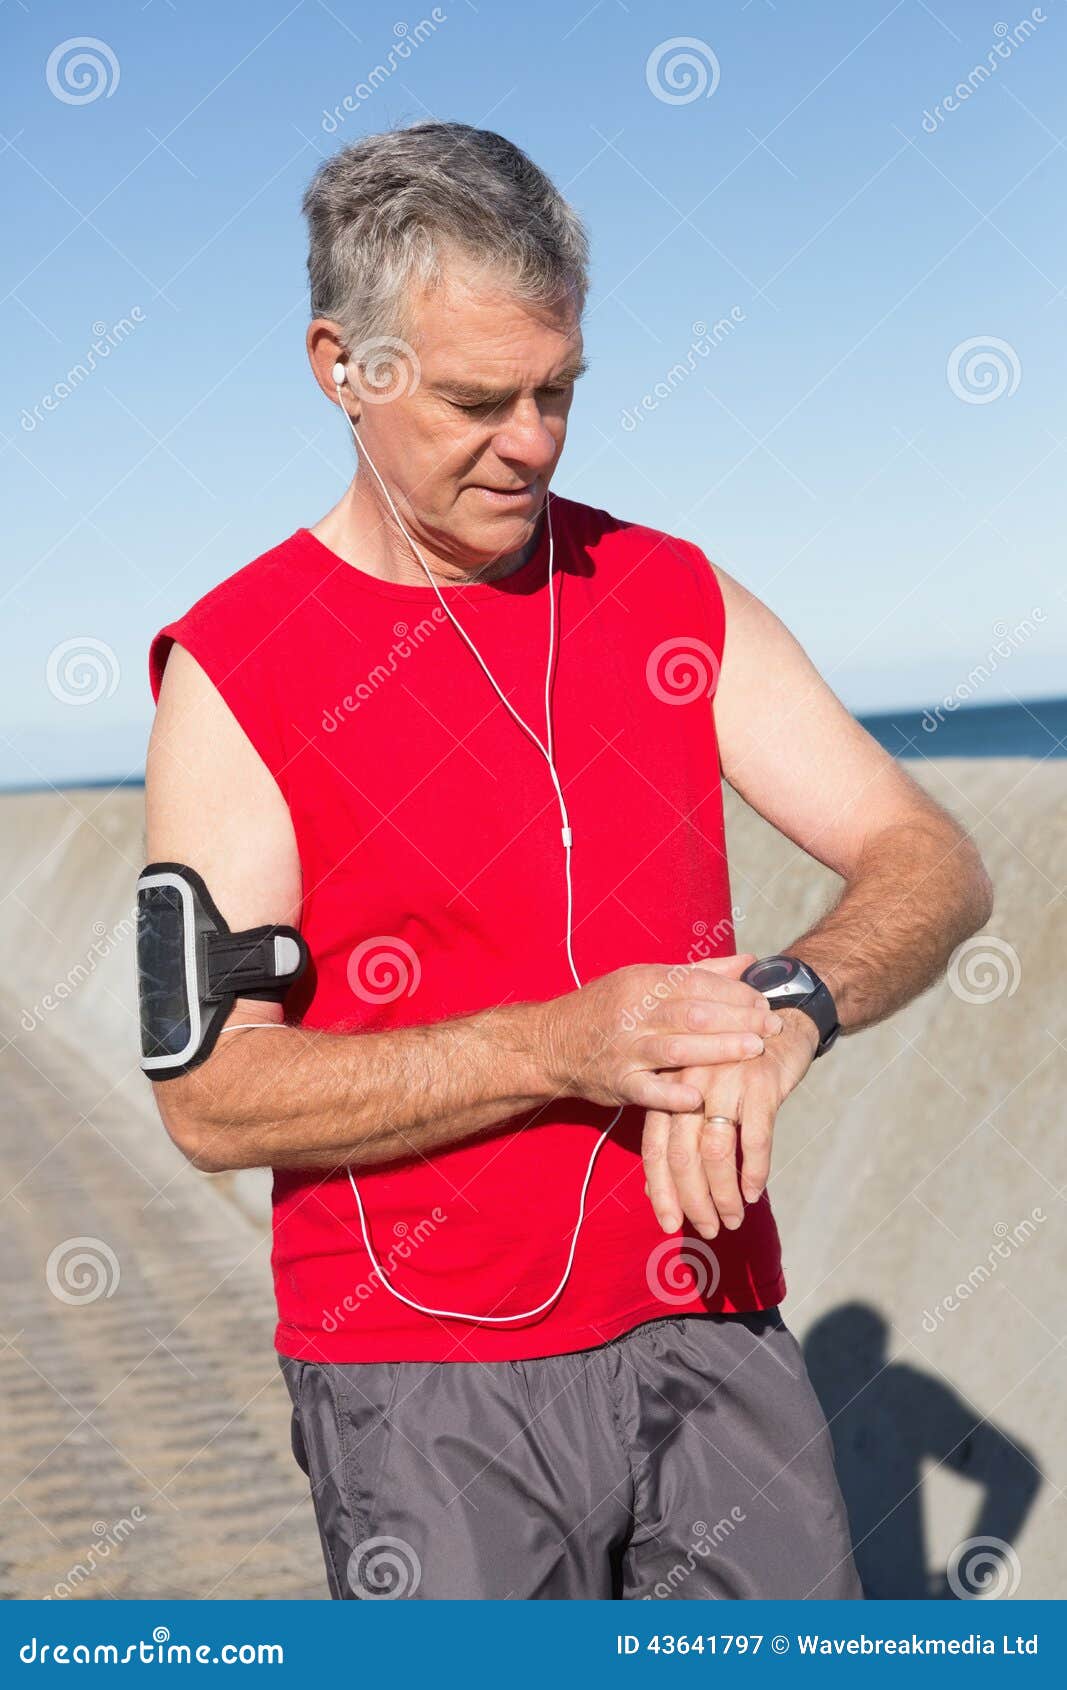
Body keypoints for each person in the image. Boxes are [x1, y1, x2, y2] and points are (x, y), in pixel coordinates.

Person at [142, 122, 993, 1601]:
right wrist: (565, 1043)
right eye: (480, 400)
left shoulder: (667, 590)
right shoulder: (239, 667)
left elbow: (928, 858)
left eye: (559, 392)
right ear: (342, 367)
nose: (532, 440)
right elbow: (214, 1100)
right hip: (422, 1387)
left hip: (714, 1325)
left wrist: (793, 1004)